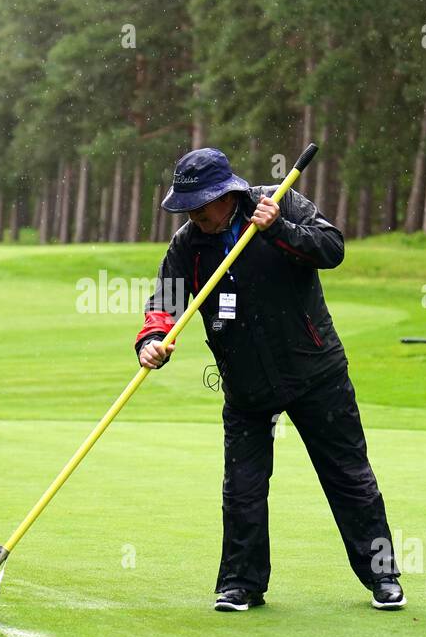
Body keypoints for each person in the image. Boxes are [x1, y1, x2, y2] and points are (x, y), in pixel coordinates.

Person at [135, 147, 405, 612]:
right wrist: (152, 340)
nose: (196, 216)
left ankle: (383, 577)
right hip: (245, 384)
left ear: (227, 195)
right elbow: (166, 299)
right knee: (242, 487)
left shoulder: (280, 203)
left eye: (202, 206)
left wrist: (278, 227)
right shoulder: (189, 243)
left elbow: (332, 249)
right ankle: (241, 583)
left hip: (315, 371)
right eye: (189, 208)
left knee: (349, 478)